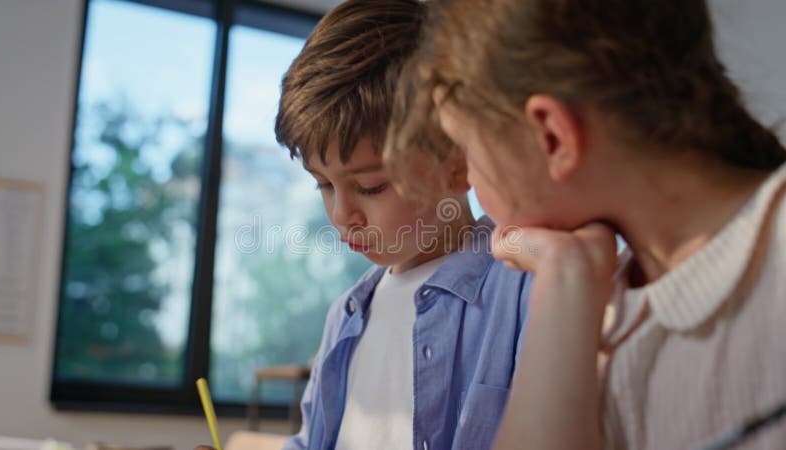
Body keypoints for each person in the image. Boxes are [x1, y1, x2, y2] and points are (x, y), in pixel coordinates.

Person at [385, 0, 786, 449]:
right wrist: (565, 278)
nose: (468, 180)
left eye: (466, 149)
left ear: (552, 137)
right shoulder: (605, 301)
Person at [272, 1, 530, 449]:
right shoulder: (345, 318)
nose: (340, 215)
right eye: (323, 186)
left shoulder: (524, 291)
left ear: (458, 161)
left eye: (370, 186)